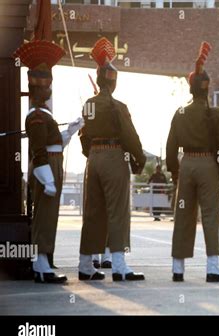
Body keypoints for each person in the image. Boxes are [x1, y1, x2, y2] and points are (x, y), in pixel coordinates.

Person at [166, 42, 219, 282]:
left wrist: (176, 173)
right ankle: (213, 268)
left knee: (183, 216)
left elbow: (170, 147)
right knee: (210, 215)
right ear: (206, 90)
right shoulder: (216, 114)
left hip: (186, 164)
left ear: (191, 89)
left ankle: (178, 269)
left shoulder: (180, 112)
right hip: (208, 165)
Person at [78, 37, 146, 281]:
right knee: (117, 212)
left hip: (93, 160)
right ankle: (119, 265)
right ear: (113, 82)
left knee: (93, 212)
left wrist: (92, 154)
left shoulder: (88, 104)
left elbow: (83, 136)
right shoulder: (119, 106)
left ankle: (85, 265)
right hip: (114, 156)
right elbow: (130, 136)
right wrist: (139, 160)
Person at [14, 40, 82, 283]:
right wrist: (48, 180)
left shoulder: (44, 114)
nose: (49, 89)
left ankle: (42, 266)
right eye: (46, 85)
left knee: (48, 216)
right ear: (38, 88)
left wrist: (71, 131)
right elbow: (40, 151)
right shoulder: (36, 116)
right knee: (44, 216)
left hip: (53, 162)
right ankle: (41, 268)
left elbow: (54, 144)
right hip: (48, 167)